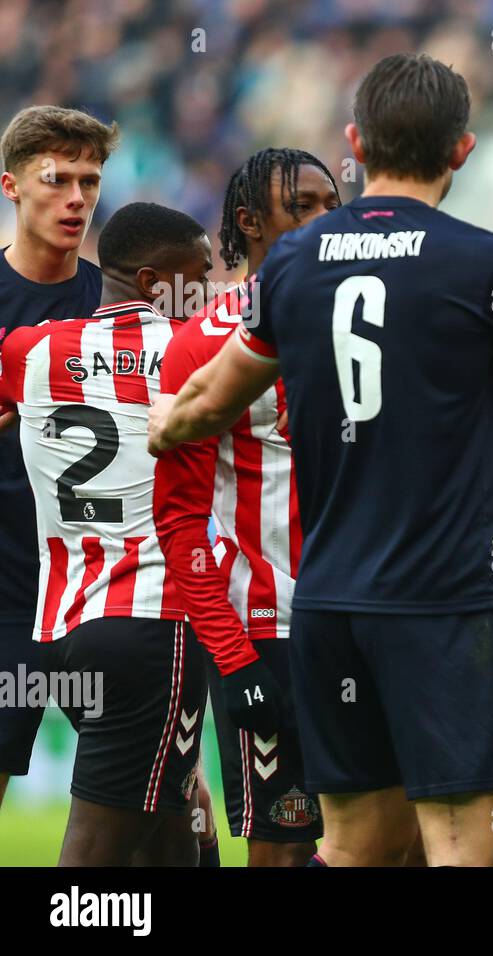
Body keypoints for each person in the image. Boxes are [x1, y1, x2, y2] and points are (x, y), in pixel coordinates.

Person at [148, 53, 493, 867]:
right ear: (462, 149)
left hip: (325, 608)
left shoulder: (292, 263)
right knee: (468, 844)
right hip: (442, 600)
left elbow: (205, 405)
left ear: (357, 140)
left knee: (353, 848)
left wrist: (163, 424)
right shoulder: (485, 261)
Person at [0, 201, 213, 865]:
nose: (206, 291)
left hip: (62, 629)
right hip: (153, 624)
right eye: (198, 276)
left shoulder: (27, 350)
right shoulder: (195, 359)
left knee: (181, 825)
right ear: (156, 283)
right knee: (94, 855)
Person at [153, 147, 341, 866]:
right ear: (250, 223)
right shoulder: (201, 341)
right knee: (281, 849)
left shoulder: (381, 318)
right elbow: (180, 519)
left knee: (411, 837)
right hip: (271, 630)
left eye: (333, 203)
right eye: (305, 206)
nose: (328, 218)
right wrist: (233, 661)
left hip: (379, 621)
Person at [0, 105, 116, 809]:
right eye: (57, 179)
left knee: (174, 810)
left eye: (90, 181)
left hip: (105, 597)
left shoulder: (120, 303)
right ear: (11, 187)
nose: (77, 198)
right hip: (8, 600)